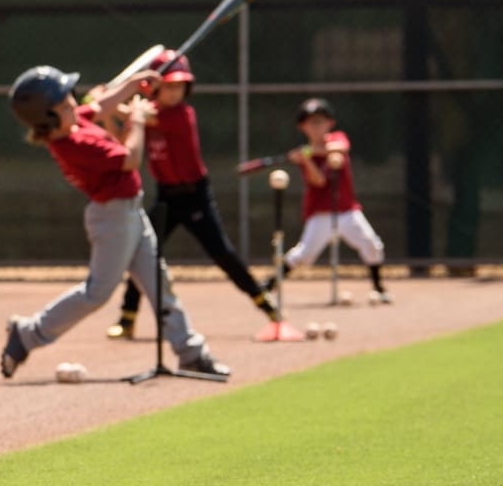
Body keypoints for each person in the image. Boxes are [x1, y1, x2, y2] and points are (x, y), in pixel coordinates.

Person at [0, 65, 228, 380]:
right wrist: (136, 120)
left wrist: (132, 85)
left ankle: (191, 353)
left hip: (130, 211)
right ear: (47, 117)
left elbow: (101, 106)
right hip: (112, 218)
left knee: (159, 282)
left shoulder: (71, 125)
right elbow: (131, 158)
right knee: (97, 293)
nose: (73, 107)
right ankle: (28, 333)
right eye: (64, 105)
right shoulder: (74, 144)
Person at [99, 51, 281, 338]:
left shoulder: (182, 115)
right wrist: (108, 112)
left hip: (195, 195)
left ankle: (266, 306)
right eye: (169, 86)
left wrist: (107, 101)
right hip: (166, 197)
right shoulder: (145, 115)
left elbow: (137, 117)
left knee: (221, 252)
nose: (175, 92)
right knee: (142, 253)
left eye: (180, 86)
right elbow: (123, 141)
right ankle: (127, 317)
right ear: (155, 87)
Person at [276, 98, 391, 304]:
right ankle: (269, 285)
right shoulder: (306, 156)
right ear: (302, 127)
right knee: (304, 255)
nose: (316, 126)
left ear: (330, 123)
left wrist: (306, 152)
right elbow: (318, 181)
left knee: (371, 244)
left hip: (346, 209)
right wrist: (306, 159)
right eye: (311, 122)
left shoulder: (337, 139)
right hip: (320, 212)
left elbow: (340, 149)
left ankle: (378, 286)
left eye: (320, 121)